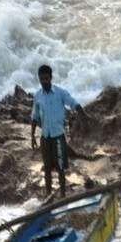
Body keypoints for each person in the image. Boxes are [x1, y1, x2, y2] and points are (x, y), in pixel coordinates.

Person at [31, 64, 87, 198]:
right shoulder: (38, 96)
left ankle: (62, 195)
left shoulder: (60, 93)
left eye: (46, 79)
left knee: (61, 168)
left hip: (58, 137)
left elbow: (73, 103)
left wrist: (84, 115)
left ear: (51, 78)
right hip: (45, 137)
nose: (44, 82)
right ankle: (49, 195)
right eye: (41, 79)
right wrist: (32, 135)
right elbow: (34, 116)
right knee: (47, 169)